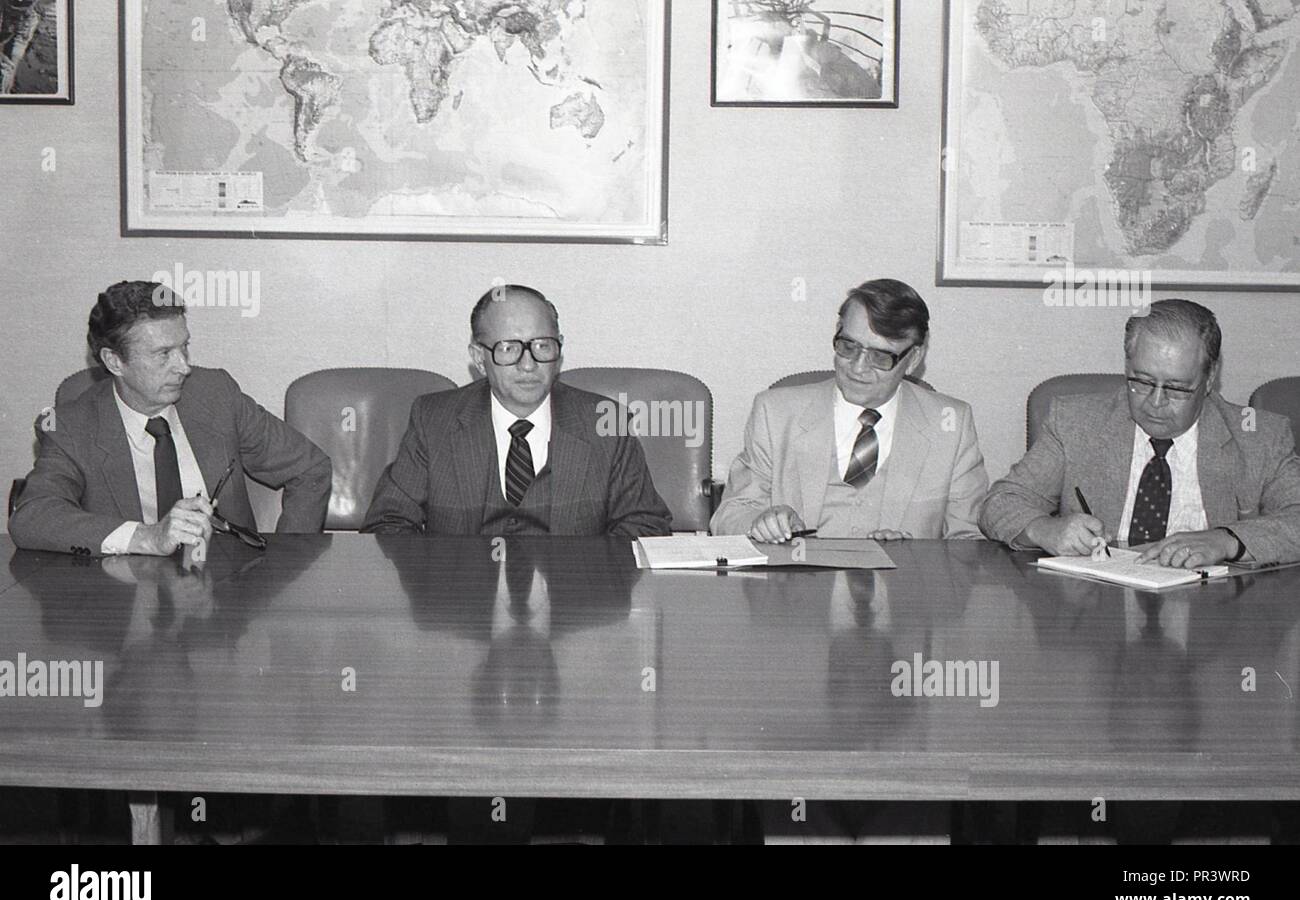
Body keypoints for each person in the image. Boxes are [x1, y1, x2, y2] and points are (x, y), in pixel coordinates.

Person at [8, 280, 331, 554]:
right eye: (163, 354)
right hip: (124, 598)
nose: (183, 366)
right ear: (115, 362)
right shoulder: (72, 426)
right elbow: (33, 517)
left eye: (184, 347)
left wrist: (286, 556)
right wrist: (146, 537)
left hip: (229, 590)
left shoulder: (216, 395)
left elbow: (309, 467)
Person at [979, 299, 1300, 567]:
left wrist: (1228, 540)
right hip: (1099, 611)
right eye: (1142, 381)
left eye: (1176, 388)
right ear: (1126, 365)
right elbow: (1000, 503)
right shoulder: (1076, 422)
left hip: (1216, 616)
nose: (1156, 402)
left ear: (1210, 376)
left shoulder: (1261, 436)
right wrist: (1043, 529)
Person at [362, 284, 671, 537]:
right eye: (509, 348)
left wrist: (586, 586)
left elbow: (645, 525)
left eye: (542, 346)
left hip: (571, 602)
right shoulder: (434, 421)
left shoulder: (606, 423)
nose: (528, 364)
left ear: (559, 349)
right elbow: (389, 522)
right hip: (464, 604)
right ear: (479, 358)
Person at [710, 278, 988, 541]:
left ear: (913, 359)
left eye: (880, 356)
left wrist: (915, 555)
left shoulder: (951, 426)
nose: (857, 367)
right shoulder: (776, 413)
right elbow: (728, 516)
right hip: (798, 586)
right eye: (848, 346)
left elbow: (969, 542)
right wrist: (762, 522)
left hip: (904, 589)